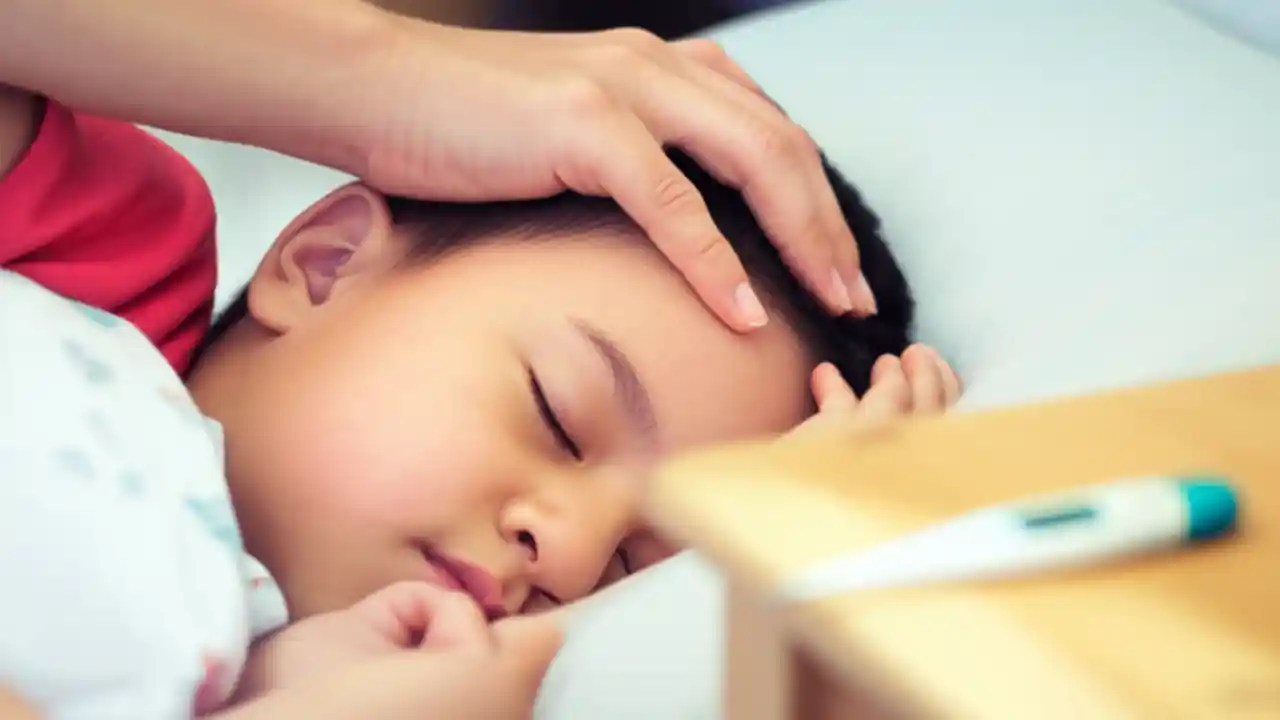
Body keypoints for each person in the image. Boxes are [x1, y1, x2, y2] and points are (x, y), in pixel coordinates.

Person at [0, 1, 959, 717]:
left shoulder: (273, 680)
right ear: (327, 265)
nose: (574, 551)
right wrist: (386, 80)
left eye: (633, 563)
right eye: (556, 412)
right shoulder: (99, 266)